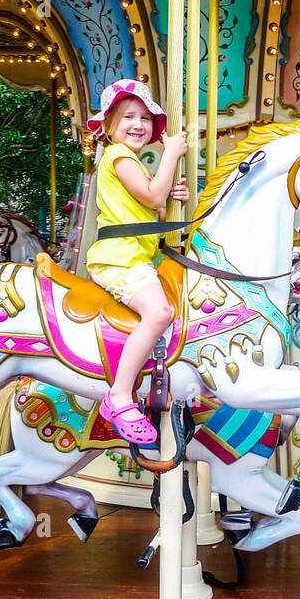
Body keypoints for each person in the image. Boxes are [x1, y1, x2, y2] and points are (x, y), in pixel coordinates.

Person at [84, 79, 189, 444]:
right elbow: (151, 194)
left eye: (145, 118)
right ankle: (119, 396)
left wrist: (170, 199)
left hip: (136, 257)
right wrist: (171, 155)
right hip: (119, 259)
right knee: (160, 313)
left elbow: (152, 210)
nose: (138, 124)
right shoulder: (118, 156)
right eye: (128, 115)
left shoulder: (133, 163)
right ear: (109, 125)